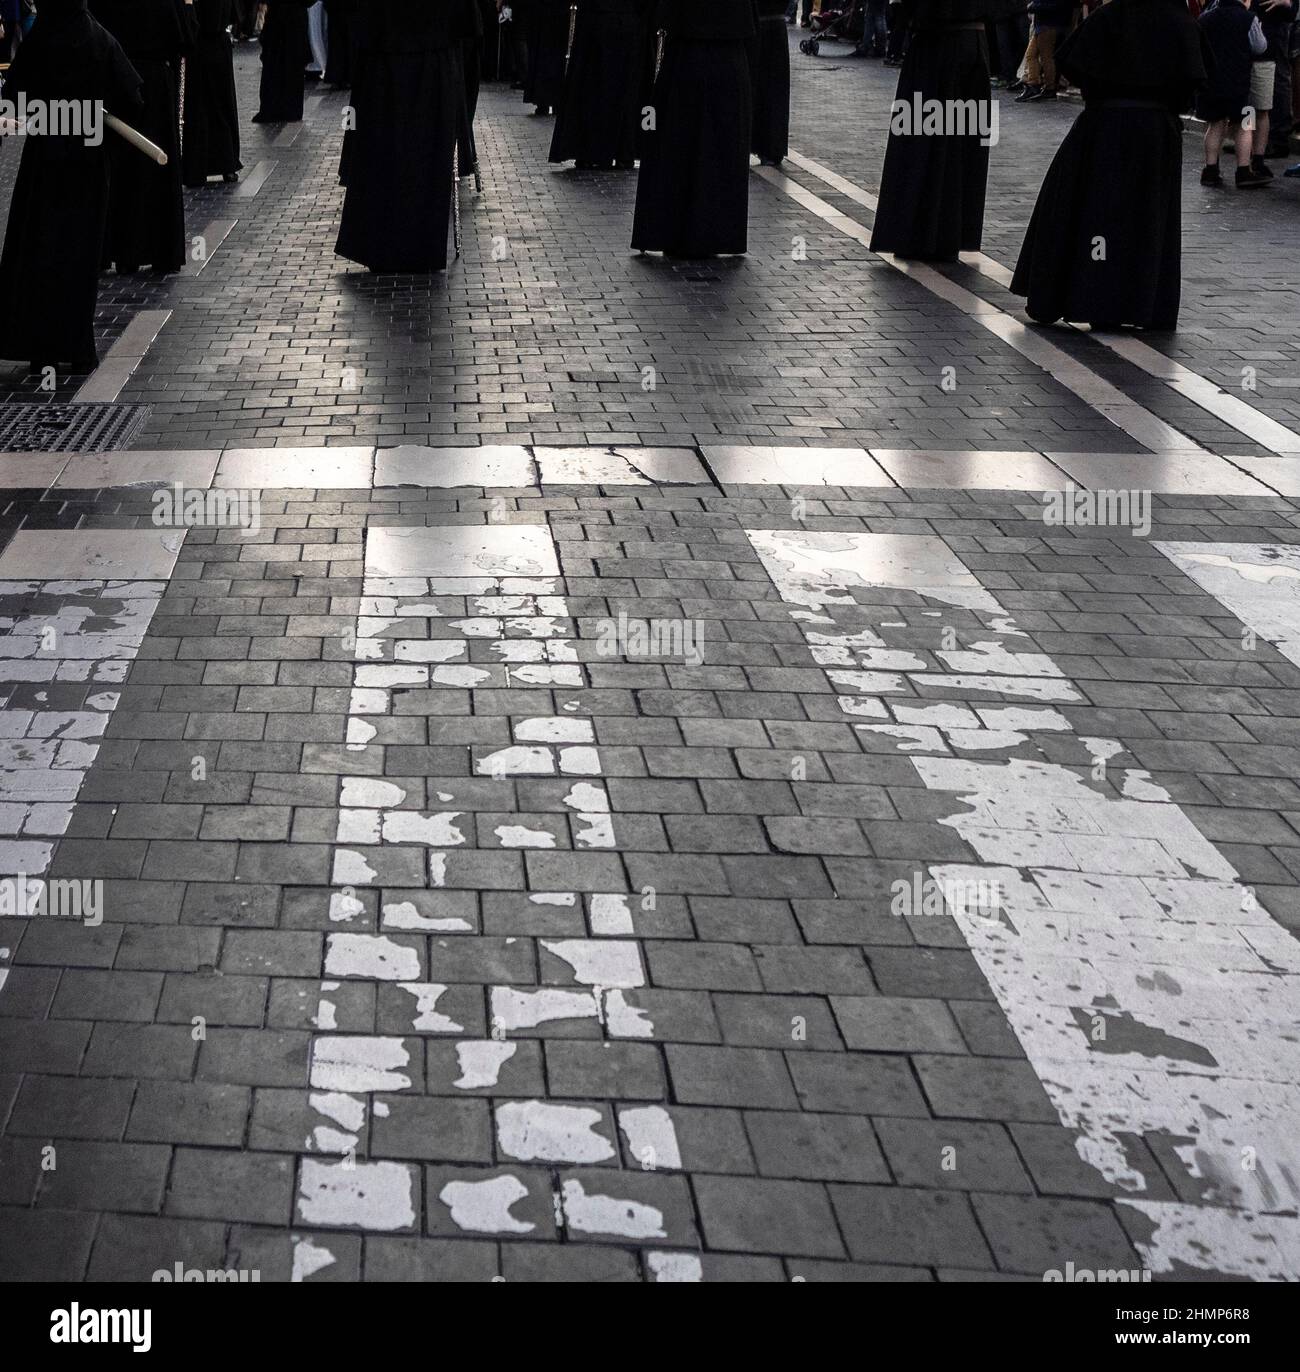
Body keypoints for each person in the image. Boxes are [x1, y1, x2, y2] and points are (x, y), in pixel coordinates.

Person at [1011, 0, 1209, 331]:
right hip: (1156, 133)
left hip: (1105, 124)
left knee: (1091, 212)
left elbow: (1071, 62)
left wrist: (1106, 87)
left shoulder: (1111, 15)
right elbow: (1198, 76)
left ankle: (1085, 296)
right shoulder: (1181, 22)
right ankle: (1141, 303)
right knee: (1147, 218)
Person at [0, 0, 142, 371]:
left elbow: (13, 96)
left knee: (42, 248)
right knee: (80, 252)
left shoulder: (40, 39)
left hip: (44, 162)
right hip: (87, 162)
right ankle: (78, 347)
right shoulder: (98, 38)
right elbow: (132, 96)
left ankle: (42, 347)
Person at [870, 0, 1022, 260]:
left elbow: (908, 10)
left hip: (937, 45)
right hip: (974, 44)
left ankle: (921, 233)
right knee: (960, 145)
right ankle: (949, 234)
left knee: (924, 141)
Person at [335, 0, 477, 273]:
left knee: (384, 148)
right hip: (424, 49)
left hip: (388, 48)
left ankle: (383, 244)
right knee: (422, 151)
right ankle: (418, 245)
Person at [632, 0, 757, 258]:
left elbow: (657, 13)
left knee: (677, 146)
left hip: (686, 60)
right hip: (729, 59)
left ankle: (674, 229)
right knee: (722, 151)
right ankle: (718, 231)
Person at [90, 0, 197, 274]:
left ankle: (120, 251)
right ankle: (159, 250)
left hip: (116, 82)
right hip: (156, 82)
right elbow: (185, 36)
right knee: (154, 169)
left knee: (120, 169)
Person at [549, 0, 652, 169]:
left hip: (595, 21)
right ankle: (623, 151)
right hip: (628, 23)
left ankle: (591, 151)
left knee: (592, 90)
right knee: (627, 92)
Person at [1198, 0, 1270, 188]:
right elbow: (1260, 47)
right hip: (1240, 84)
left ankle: (1210, 170)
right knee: (1246, 125)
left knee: (1215, 125)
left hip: (1212, 84)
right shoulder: (1249, 18)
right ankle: (1244, 171)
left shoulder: (1205, 18)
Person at [182, 0, 242, 186]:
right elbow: (235, 13)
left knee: (199, 107)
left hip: (199, 48)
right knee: (221, 105)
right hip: (218, 47)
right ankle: (226, 163)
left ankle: (198, 167)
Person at [254, 0, 312, 121]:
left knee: (276, 66)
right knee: (288, 66)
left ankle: (275, 108)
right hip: (289, 19)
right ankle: (289, 109)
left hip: (280, 20)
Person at [751, 0, 791, 165]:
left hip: (757, 27)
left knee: (758, 88)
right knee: (776, 91)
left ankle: (763, 144)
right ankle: (773, 147)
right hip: (775, 26)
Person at [523, 0, 566, 114]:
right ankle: (556, 100)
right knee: (557, 58)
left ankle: (542, 100)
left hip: (542, 15)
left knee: (541, 57)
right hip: (559, 15)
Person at [323, 0, 354, 86]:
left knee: (337, 44)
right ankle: (348, 76)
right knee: (349, 42)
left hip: (335, 8)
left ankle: (337, 76)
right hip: (349, 9)